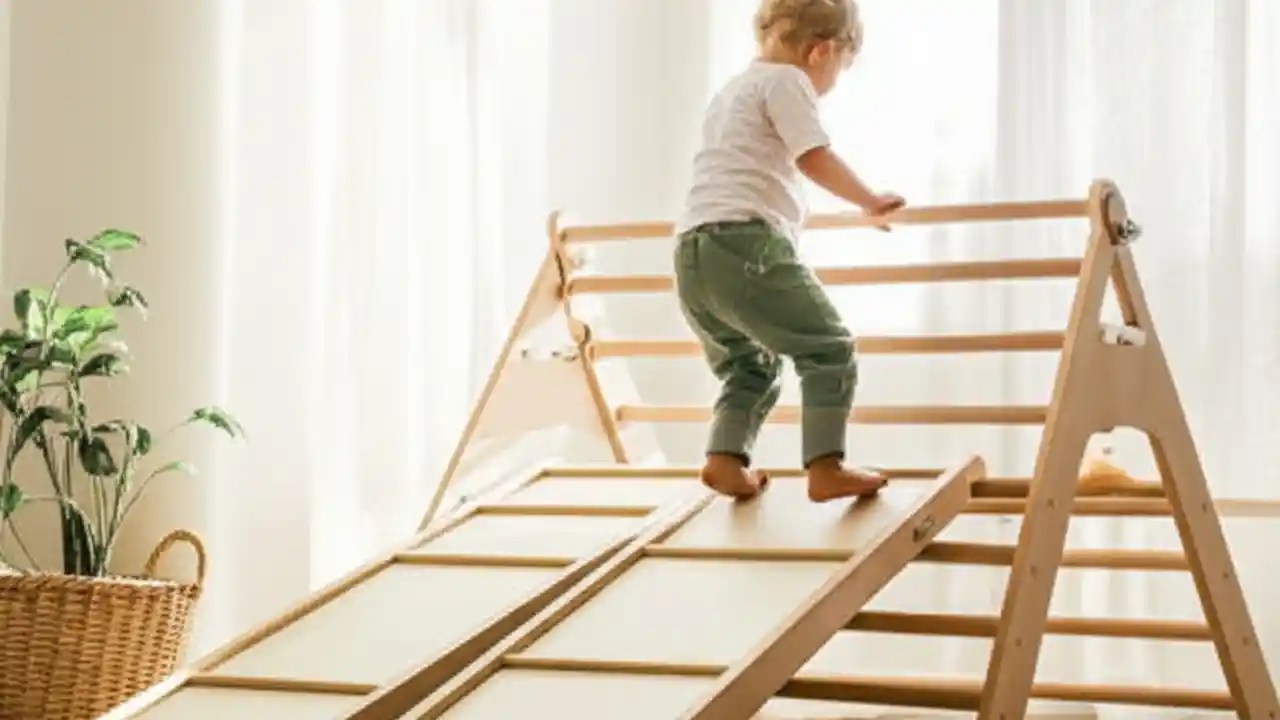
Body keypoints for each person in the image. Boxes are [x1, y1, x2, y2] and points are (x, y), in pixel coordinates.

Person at [673, 0, 904, 502]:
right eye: (842, 67)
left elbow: (752, 176)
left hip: (692, 253)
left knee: (750, 366)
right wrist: (869, 201)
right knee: (829, 348)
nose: (833, 81)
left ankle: (724, 458)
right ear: (822, 52)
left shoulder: (733, 90)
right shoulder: (788, 82)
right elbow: (812, 156)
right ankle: (827, 468)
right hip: (744, 245)